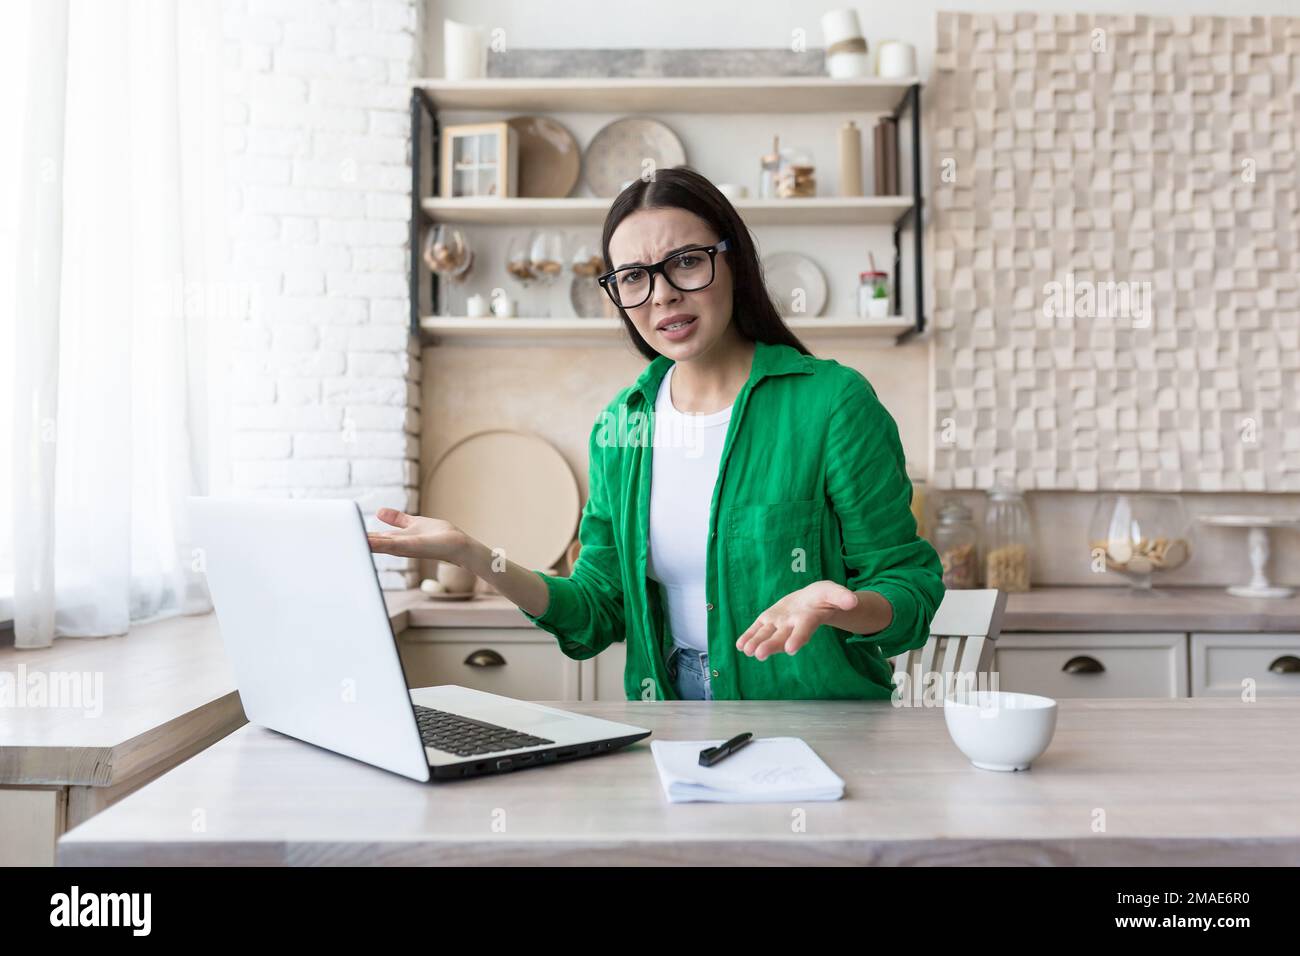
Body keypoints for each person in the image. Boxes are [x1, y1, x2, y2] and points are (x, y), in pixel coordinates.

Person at [369, 166, 945, 701]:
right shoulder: (623, 425)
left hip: (817, 715)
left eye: (687, 261)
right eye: (633, 277)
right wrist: (470, 554)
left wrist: (842, 607)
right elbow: (596, 609)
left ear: (733, 260)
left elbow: (908, 589)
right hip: (671, 710)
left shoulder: (831, 403)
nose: (663, 294)